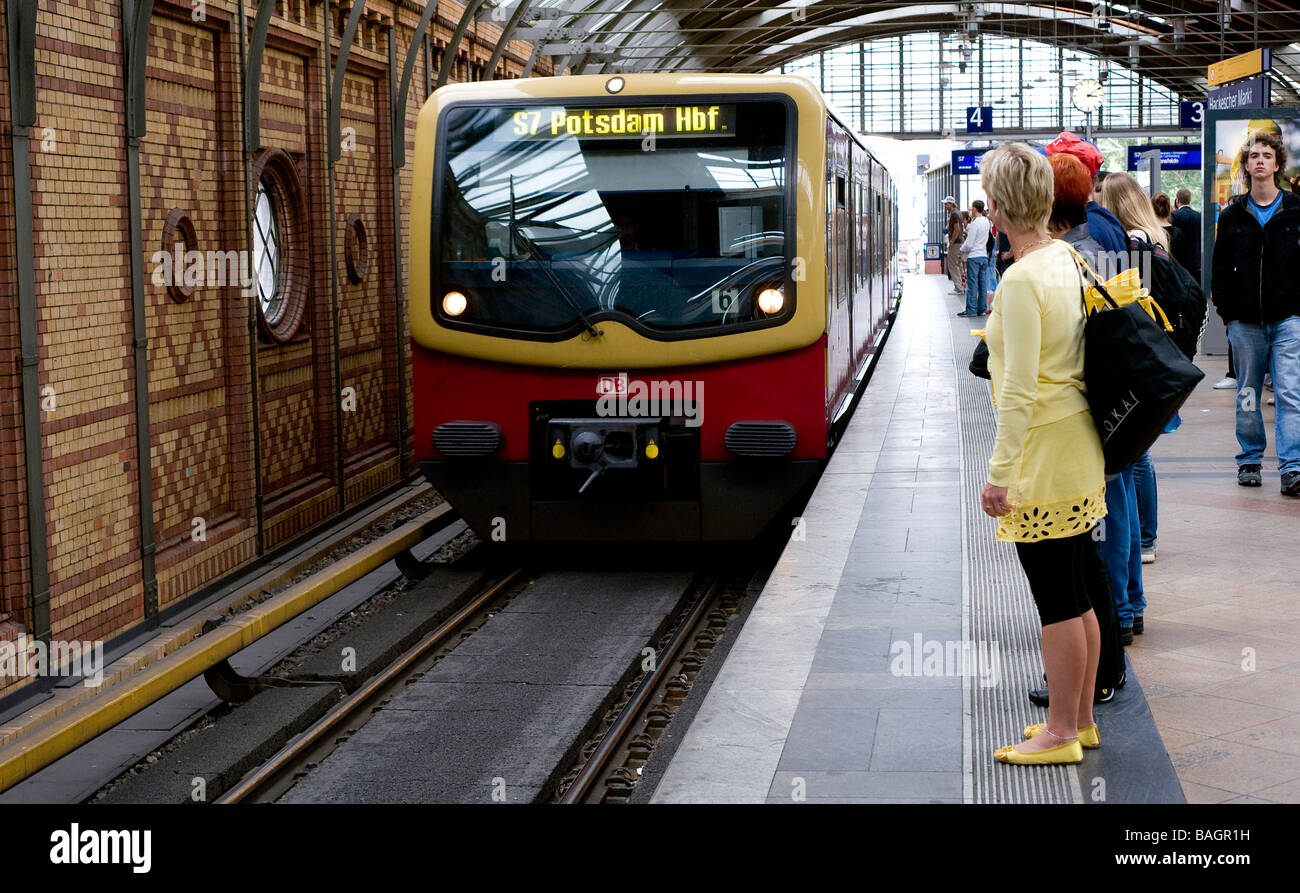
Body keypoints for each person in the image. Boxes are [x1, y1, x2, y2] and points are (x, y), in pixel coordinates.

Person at [980, 142, 1108, 765]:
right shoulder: (1065, 258)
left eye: (989, 196)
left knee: (1055, 599)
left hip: (1044, 452)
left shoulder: (1021, 278)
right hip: (1077, 443)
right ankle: (1080, 720)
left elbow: (1020, 390)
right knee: (1077, 590)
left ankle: (1058, 734)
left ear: (999, 205)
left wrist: (999, 474)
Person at [1210, 131, 1300, 497]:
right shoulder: (1233, 215)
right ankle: (1249, 460)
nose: (1260, 160)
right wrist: (1228, 314)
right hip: (1245, 322)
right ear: (1246, 166)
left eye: (1267, 155)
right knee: (1247, 392)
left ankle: (1292, 467)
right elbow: (1219, 269)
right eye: (1254, 155)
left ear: (1277, 165)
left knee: (1290, 392)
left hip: (1288, 319)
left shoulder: (1295, 210)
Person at [959, 200, 992, 317]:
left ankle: (971, 310)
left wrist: (961, 249)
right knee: (983, 284)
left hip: (974, 257)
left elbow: (969, 243)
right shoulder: (986, 221)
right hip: (983, 256)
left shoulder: (975, 224)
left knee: (972, 284)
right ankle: (982, 309)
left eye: (971, 208)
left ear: (975, 209)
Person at [1152, 192, 1192, 273]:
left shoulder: (1149, 233)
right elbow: (1183, 262)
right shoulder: (1178, 233)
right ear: (1168, 209)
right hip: (1174, 277)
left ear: (1152, 209)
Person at [946, 209, 965, 294]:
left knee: (953, 265)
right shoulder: (959, 213)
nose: (945, 206)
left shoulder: (954, 214)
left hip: (955, 243)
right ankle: (962, 285)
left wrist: (951, 242)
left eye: (946, 204)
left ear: (950, 204)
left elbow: (957, 229)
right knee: (959, 264)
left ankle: (958, 288)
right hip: (960, 242)